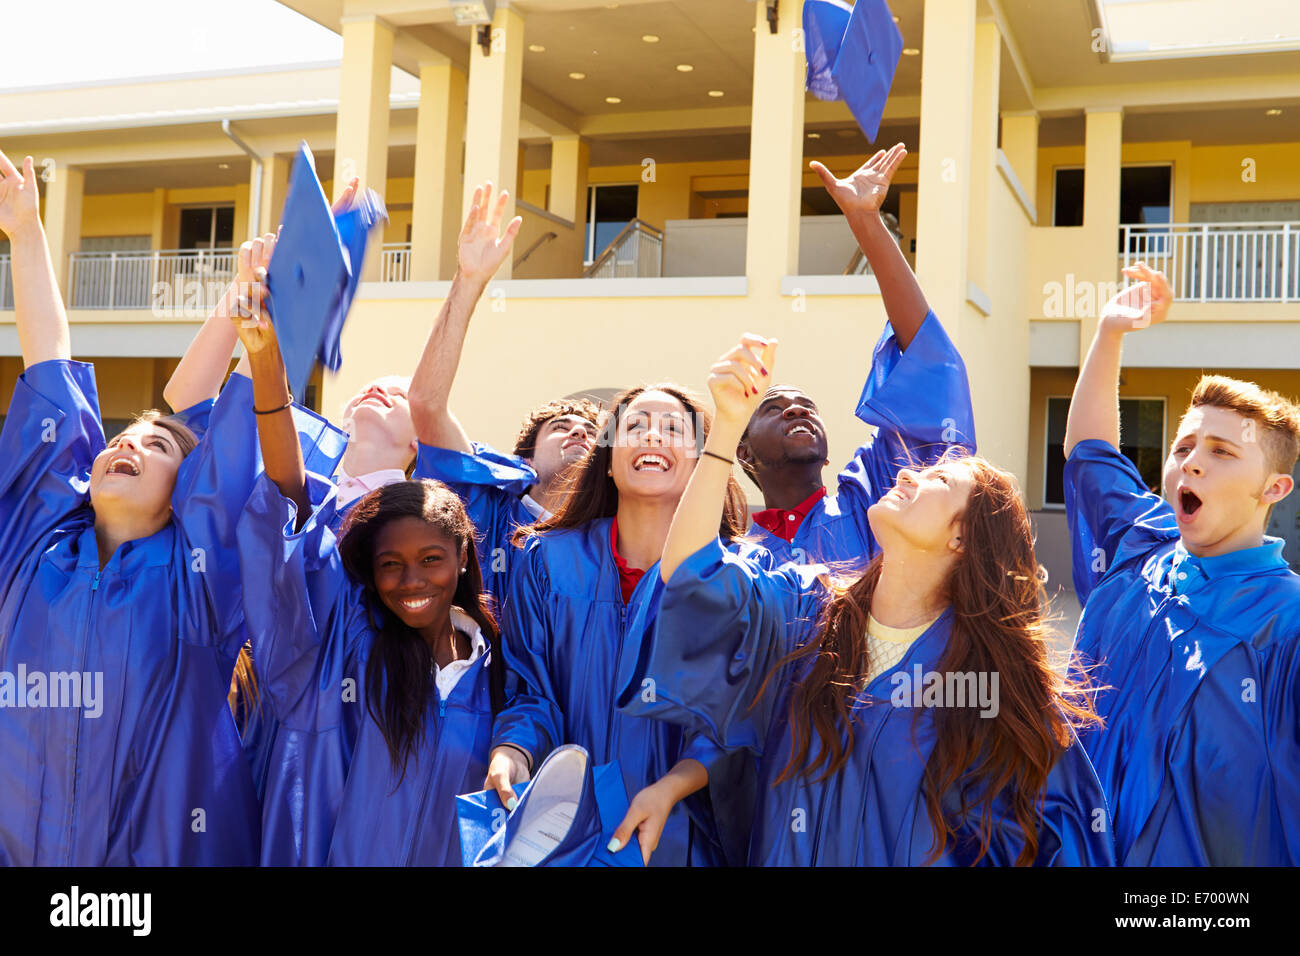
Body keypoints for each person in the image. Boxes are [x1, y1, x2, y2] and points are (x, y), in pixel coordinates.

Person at [618, 331, 1114, 866]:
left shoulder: (986, 691)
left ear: (962, 538)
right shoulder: (808, 613)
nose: (905, 472)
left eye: (936, 480)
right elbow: (692, 571)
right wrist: (725, 430)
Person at [0, 147, 331, 864]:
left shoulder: (197, 578)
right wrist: (27, 233)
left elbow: (247, 425)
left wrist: (265, 311)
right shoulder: (30, 544)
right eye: (124, 436)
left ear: (189, 493)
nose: (131, 444)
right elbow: (48, 360)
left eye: (160, 448)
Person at [231, 256, 508, 865]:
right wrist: (265, 359)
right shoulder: (317, 525)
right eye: (388, 563)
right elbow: (285, 488)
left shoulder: (485, 649)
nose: (410, 575)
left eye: (430, 558)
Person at [1062, 262, 1300, 865]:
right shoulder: (1142, 544)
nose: (1191, 463)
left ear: (1274, 489)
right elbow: (1089, 451)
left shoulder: (1288, 624)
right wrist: (1110, 331)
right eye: (1183, 447)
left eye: (1222, 452)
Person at [483, 381, 758, 866]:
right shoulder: (549, 560)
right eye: (633, 426)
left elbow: (737, 715)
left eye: (673, 428)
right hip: (564, 833)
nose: (652, 437)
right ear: (607, 460)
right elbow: (530, 693)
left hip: (681, 836)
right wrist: (512, 752)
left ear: (701, 464)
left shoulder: (731, 576)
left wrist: (673, 786)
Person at [737, 145, 975, 568]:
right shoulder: (732, 558)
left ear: (829, 456)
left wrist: (866, 222)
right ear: (744, 453)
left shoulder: (873, 501)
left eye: (807, 407)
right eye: (775, 408)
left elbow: (929, 365)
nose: (796, 412)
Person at [410, 180, 601, 604]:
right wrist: (470, 279)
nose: (579, 434)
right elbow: (426, 403)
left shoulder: (616, 537)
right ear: (526, 460)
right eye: (561, 428)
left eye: (591, 431)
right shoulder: (484, 508)